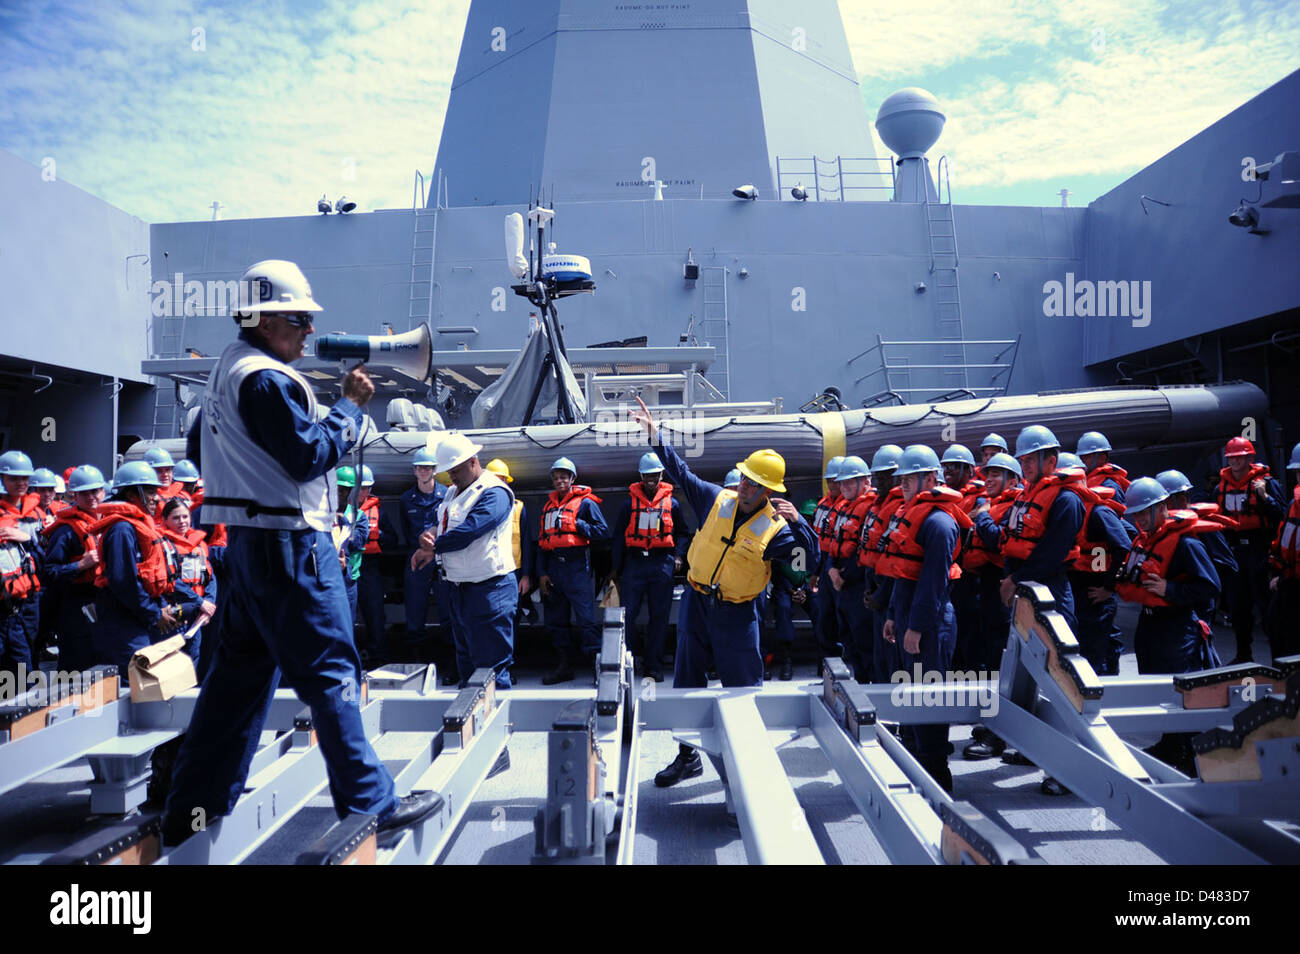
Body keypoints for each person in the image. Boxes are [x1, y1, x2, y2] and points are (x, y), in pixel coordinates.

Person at [162, 259, 437, 849]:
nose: (309, 332)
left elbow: (200, 450)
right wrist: (349, 408)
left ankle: (190, 811)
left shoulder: (225, 374)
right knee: (334, 674)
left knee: (233, 687)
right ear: (264, 318)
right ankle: (371, 803)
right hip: (291, 547)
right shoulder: (268, 379)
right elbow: (308, 456)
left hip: (247, 551)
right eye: (298, 320)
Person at [629, 397, 816, 787]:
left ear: (770, 490)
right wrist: (655, 436)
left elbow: (801, 569)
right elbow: (681, 472)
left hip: (738, 614)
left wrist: (801, 527)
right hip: (697, 602)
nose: (747, 487)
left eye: (757, 484)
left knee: (743, 689)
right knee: (686, 681)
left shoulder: (777, 529)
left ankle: (747, 768)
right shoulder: (717, 499)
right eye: (746, 479)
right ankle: (687, 757)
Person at [977, 425, 1084, 794]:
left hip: (1049, 593)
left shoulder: (1066, 500)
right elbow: (1011, 540)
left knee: (1058, 681)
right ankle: (1033, 750)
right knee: (1029, 677)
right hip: (1026, 591)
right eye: (1020, 460)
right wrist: (1014, 581)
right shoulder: (1029, 496)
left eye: (1029, 459)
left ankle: (1068, 771)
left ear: (1049, 460)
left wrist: (1014, 579)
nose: (1023, 466)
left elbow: (1052, 553)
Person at [1113, 477, 1223, 773]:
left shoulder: (1186, 543)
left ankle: (1188, 753)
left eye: (1143, 513)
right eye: (1134, 514)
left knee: (1179, 690)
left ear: (1161, 507)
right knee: (1158, 688)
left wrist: (1169, 590)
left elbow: (1210, 587)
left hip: (1176, 629)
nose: (1138, 520)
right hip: (1150, 625)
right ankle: (1170, 744)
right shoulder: (1145, 540)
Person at [875, 445, 968, 791]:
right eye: (902, 479)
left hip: (930, 624)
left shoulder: (940, 523)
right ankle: (914, 763)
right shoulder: (911, 515)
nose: (904, 485)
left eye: (910, 479)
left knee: (928, 697)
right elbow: (903, 573)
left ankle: (937, 779)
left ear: (930, 478)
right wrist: (892, 617)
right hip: (906, 616)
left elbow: (933, 583)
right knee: (909, 692)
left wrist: (915, 627)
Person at [411, 433, 518, 689]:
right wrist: (430, 534)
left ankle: (495, 721)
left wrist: (433, 548)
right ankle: (467, 722)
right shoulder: (452, 492)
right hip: (460, 589)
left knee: (491, 668)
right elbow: (445, 523)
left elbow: (471, 529)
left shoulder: (496, 493)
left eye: (456, 470)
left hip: (490, 589)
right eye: (448, 472)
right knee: (467, 665)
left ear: (473, 461)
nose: (452, 477)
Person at [87, 462, 201, 671]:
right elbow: (124, 581)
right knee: (134, 676)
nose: (156, 497)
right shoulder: (122, 529)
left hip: (137, 615)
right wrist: (155, 614)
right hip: (122, 619)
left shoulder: (133, 526)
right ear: (132, 494)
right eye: (149, 491)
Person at [961, 452, 1021, 760]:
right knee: (985, 659)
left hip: (1000, 590)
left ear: (1013, 480)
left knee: (1000, 664)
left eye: (997, 474)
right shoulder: (992, 504)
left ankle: (998, 735)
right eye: (988, 474)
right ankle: (990, 726)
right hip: (982, 590)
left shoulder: (1012, 507)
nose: (989, 478)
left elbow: (999, 542)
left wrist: (982, 515)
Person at [611, 451, 687, 682]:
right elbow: (618, 539)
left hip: (661, 563)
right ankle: (632, 659)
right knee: (628, 614)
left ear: (662, 475)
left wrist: (679, 557)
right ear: (641, 477)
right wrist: (615, 569)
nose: (651, 481)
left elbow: (683, 533)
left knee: (659, 617)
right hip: (635, 564)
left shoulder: (672, 504)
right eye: (647, 477)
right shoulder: (628, 505)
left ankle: (653, 666)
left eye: (655, 476)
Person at [1058, 451, 1132, 676]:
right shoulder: (1067, 509)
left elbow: (1124, 548)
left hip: (1095, 593)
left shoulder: (1098, 512)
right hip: (1077, 587)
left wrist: (1109, 588)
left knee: (1093, 659)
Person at [537, 456, 609, 685]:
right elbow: (542, 542)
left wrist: (577, 524)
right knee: (556, 622)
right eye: (556, 478)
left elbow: (603, 531)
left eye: (564, 477)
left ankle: (598, 669)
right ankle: (564, 667)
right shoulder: (548, 506)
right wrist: (542, 573)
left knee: (587, 621)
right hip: (554, 568)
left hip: (577, 567)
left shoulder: (586, 504)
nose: (560, 481)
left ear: (572, 479)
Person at [1215, 437, 1286, 663]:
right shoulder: (1220, 487)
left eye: (1240, 457)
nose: (1235, 461)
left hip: (1260, 550)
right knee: (1238, 607)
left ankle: (1279, 658)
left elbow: (1282, 515)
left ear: (1249, 458)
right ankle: (1243, 655)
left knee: (1267, 609)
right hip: (1235, 551)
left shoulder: (1266, 483)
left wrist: (1265, 496)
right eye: (1232, 457)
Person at [41, 465, 108, 673]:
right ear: (74, 495)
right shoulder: (66, 531)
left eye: (95, 491)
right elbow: (49, 572)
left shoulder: (109, 523)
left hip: (104, 601)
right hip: (76, 605)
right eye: (84, 493)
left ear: (103, 492)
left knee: (102, 661)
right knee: (75, 665)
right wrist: (80, 565)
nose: (91, 497)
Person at [400, 446, 449, 668]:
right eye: (419, 467)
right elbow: (405, 529)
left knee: (448, 609)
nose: (423, 471)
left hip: (442, 558)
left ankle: (451, 663)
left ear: (435, 470)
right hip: (417, 558)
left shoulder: (448, 494)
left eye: (427, 467)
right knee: (414, 608)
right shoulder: (406, 499)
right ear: (414, 471)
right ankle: (416, 662)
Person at [858, 445, 904, 682]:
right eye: (879, 475)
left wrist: (882, 596)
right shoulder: (877, 506)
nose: (883, 480)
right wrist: (870, 589)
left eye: (888, 475)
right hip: (877, 590)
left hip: (892, 595)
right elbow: (871, 553)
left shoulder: (902, 510)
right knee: (880, 659)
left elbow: (898, 563)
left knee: (893, 660)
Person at [826, 455, 873, 682]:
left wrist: (844, 577)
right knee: (849, 641)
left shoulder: (871, 509)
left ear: (866, 482)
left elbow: (867, 551)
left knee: (866, 645)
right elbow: (832, 544)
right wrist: (831, 571)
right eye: (842, 482)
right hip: (841, 586)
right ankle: (861, 684)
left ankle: (872, 690)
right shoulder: (843, 509)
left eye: (850, 482)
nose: (844, 486)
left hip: (858, 586)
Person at [157, 498, 218, 672]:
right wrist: (200, 602)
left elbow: (210, 577)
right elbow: (170, 578)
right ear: (165, 520)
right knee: (170, 665)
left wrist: (209, 604)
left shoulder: (199, 544)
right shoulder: (162, 545)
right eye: (176, 518)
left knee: (192, 664)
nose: (182, 521)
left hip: (197, 616)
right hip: (173, 615)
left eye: (185, 516)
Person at [0, 450, 44, 674]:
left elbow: (47, 559)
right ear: (2, 479)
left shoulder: (36, 514)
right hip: (5, 600)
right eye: (13, 478)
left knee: (29, 653)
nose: (20, 483)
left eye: (24, 478)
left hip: (30, 598)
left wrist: (27, 541)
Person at [940, 444, 984, 670]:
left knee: (969, 635)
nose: (948, 471)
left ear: (969, 471)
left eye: (954, 467)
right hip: (951, 575)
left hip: (971, 578)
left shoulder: (980, 498)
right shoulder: (942, 497)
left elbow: (976, 525)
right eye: (945, 466)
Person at [767, 499, 822, 679]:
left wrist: (805, 589)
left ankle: (825, 659)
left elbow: (817, 567)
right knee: (783, 608)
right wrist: (792, 590)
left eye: (810, 517)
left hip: (809, 587)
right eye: (805, 516)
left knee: (820, 609)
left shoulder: (815, 539)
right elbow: (776, 568)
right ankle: (786, 659)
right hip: (786, 587)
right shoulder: (784, 535)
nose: (808, 519)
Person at [485, 458, 536, 629]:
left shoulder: (519, 507)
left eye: (502, 479)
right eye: (494, 479)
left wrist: (526, 575)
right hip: (487, 570)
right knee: (490, 614)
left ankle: (510, 652)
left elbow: (526, 543)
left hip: (514, 571)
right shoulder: (479, 506)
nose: (498, 483)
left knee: (512, 613)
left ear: (507, 482)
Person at [1266, 442, 1300, 657]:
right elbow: (1282, 544)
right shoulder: (1292, 506)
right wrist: (1278, 574)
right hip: (1291, 584)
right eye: (1298, 473)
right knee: (1275, 628)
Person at [811, 457, 846, 658]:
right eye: (829, 481)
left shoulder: (848, 507)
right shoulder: (822, 505)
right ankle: (826, 667)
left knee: (842, 620)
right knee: (824, 619)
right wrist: (814, 573)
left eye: (836, 481)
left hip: (839, 569)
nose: (832, 485)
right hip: (824, 566)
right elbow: (817, 543)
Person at [331, 466, 369, 627]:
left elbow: (359, 542)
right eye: (338, 490)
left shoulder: (358, 516)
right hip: (325, 575)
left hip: (348, 578)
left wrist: (343, 523)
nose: (341, 494)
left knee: (346, 624)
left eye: (345, 490)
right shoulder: (323, 515)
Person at [1077, 431, 1129, 504]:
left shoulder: (1110, 486)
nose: (1082, 461)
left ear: (1102, 458)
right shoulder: (1086, 482)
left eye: (1087, 456)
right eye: (1081, 457)